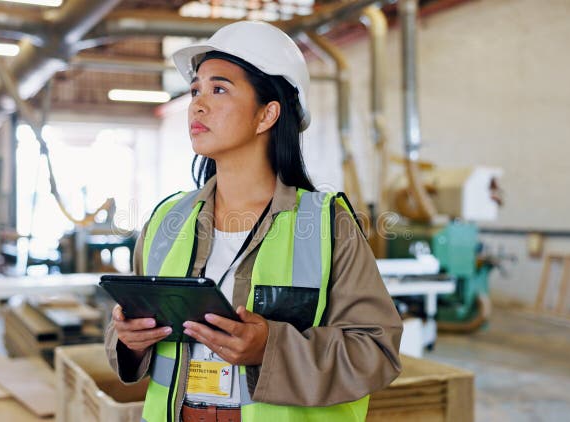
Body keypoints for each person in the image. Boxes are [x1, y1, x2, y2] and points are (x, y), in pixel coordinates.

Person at [105, 21, 402, 422]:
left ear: (267, 114)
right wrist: (129, 340)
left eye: (219, 89)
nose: (197, 104)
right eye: (195, 90)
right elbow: (125, 332)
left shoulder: (329, 224)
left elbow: (375, 351)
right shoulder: (166, 220)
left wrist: (271, 349)